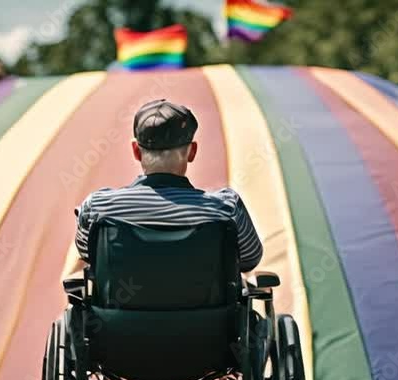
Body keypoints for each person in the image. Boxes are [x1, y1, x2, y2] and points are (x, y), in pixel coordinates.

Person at [75, 99, 263, 273]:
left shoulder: (98, 207)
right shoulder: (226, 207)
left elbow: (88, 254)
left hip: (121, 300)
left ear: (136, 151)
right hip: (206, 300)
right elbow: (249, 259)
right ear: (192, 151)